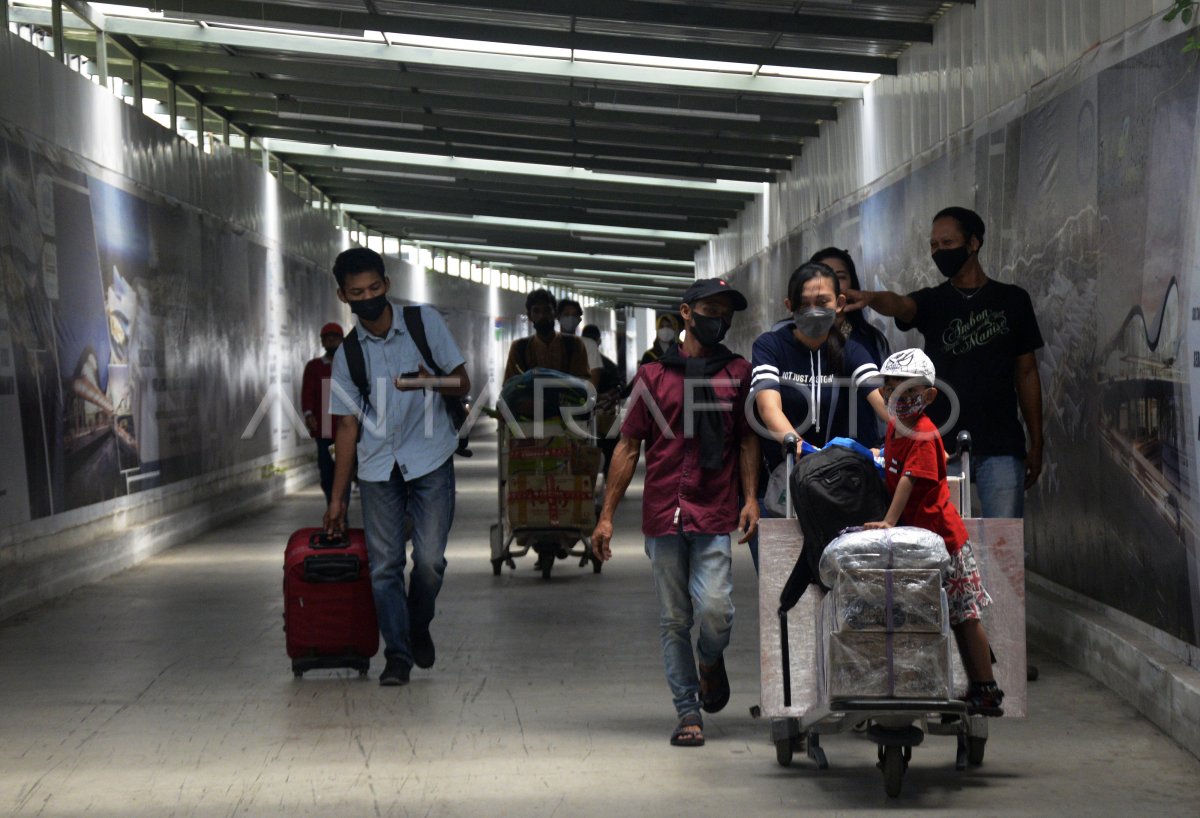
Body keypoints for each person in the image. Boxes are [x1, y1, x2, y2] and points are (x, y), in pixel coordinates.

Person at [592, 278, 760, 748]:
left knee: (715, 612)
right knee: (672, 618)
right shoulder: (653, 376)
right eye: (710, 309)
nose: (719, 319)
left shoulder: (738, 372)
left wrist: (750, 497)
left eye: (726, 313)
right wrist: (606, 515)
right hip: (664, 510)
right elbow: (628, 446)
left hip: (713, 511)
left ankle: (709, 660)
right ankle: (687, 710)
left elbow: (747, 438)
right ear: (686, 313)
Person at [323, 247, 471, 687]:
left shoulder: (423, 324)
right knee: (384, 566)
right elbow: (347, 428)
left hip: (429, 456)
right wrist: (336, 501)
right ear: (343, 296)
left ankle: (417, 622)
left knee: (429, 562)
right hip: (377, 468)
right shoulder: (347, 356)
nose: (367, 297)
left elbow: (462, 381)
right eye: (356, 292)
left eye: (373, 288)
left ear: (386, 285)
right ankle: (398, 654)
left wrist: (428, 382)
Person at [844, 206, 1044, 517]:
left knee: (1003, 545)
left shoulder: (1013, 300)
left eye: (947, 243)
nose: (939, 252)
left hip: (1001, 443)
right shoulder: (933, 301)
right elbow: (901, 305)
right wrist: (871, 298)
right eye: (934, 245)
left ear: (973, 243)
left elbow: (1028, 373)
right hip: (940, 444)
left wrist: (1037, 442)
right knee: (940, 538)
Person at [865, 348, 1004, 713]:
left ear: (929, 396)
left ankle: (986, 688)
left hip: (946, 542)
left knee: (964, 615)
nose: (899, 396)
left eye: (910, 390)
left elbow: (910, 480)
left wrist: (889, 522)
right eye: (892, 388)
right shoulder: (897, 427)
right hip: (920, 545)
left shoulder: (923, 432)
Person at [748, 261, 886, 570]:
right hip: (781, 488)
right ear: (789, 306)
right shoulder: (770, 346)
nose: (813, 310)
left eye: (822, 302)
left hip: (838, 493)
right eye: (804, 303)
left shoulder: (853, 350)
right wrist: (796, 445)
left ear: (839, 304)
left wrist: (915, 428)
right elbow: (768, 407)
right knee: (779, 592)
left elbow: (880, 397)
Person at [808, 247, 890, 365]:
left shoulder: (872, 339)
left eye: (840, 277)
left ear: (852, 283)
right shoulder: (789, 335)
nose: (833, 284)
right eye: (823, 277)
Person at [301, 322, 348, 504]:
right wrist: (308, 414)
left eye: (334, 337)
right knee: (327, 473)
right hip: (325, 430)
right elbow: (308, 393)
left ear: (341, 340)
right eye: (327, 338)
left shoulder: (350, 366)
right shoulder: (314, 367)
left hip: (346, 429)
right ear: (322, 342)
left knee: (344, 471)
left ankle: (340, 511)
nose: (330, 341)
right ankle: (333, 505)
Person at [503, 289, 592, 383]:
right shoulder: (519, 348)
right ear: (529, 316)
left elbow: (583, 382)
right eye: (536, 311)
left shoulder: (574, 344)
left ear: (555, 313)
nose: (542, 316)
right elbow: (510, 385)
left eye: (547, 310)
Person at [581, 324, 623, 475]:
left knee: (604, 447)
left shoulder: (607, 366)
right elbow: (619, 388)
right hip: (599, 415)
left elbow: (618, 389)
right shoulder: (608, 365)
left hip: (602, 416)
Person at [557, 298, 603, 387]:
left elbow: (594, 379)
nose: (570, 318)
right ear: (558, 317)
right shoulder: (548, 343)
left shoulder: (589, 345)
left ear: (579, 319)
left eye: (574, 315)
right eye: (566, 314)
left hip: (579, 398)